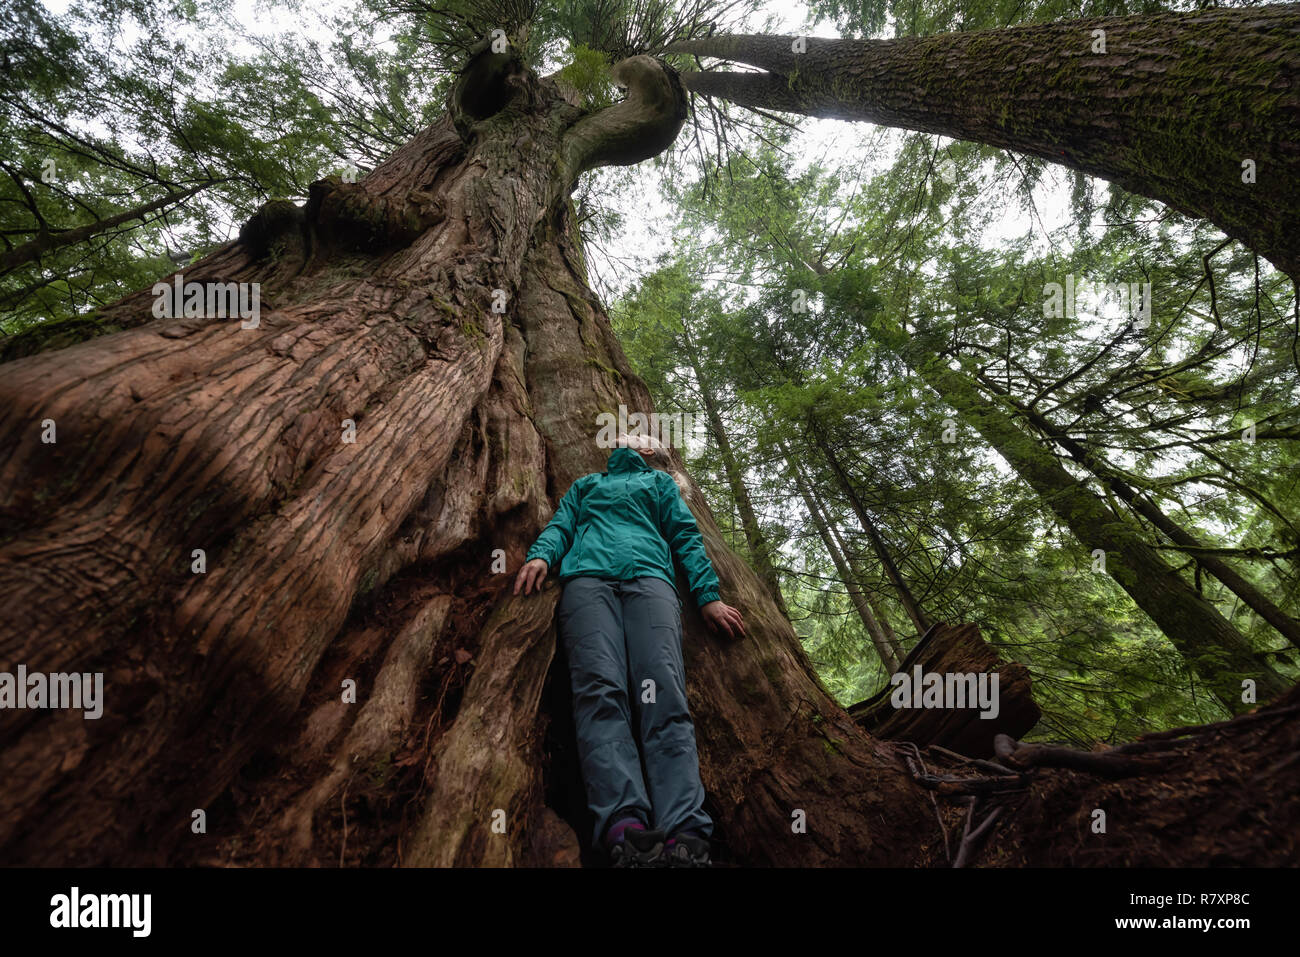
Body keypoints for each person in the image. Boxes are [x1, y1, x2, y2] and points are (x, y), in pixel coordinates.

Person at [514, 432, 747, 867]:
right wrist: (542, 555)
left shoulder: (659, 485)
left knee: (663, 694)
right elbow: (562, 523)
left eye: (638, 433)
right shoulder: (587, 484)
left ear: (648, 451)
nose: (625, 434)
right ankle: (626, 829)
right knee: (600, 693)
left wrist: (707, 596)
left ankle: (687, 833)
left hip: (650, 582)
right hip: (586, 583)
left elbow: (685, 536)